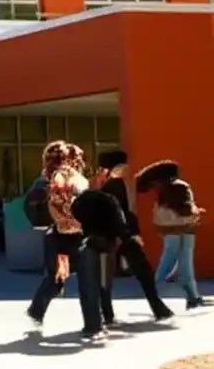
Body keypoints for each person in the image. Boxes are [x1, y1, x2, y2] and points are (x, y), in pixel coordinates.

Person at [25, 141, 106, 343]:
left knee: (57, 279)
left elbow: (31, 209)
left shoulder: (41, 182)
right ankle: (93, 327)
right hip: (79, 240)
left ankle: (36, 310)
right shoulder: (76, 181)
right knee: (88, 282)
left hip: (57, 240)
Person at [96, 151, 173, 321]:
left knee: (108, 275)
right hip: (120, 233)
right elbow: (119, 212)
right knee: (139, 271)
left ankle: (108, 313)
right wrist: (130, 233)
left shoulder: (118, 183)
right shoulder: (115, 185)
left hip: (116, 233)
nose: (128, 168)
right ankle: (157, 307)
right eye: (124, 165)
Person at [141, 160, 212, 310]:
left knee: (169, 259)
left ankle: (189, 296)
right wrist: (197, 211)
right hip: (185, 228)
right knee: (184, 262)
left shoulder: (163, 189)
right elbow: (185, 207)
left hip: (170, 229)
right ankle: (186, 296)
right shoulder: (181, 186)